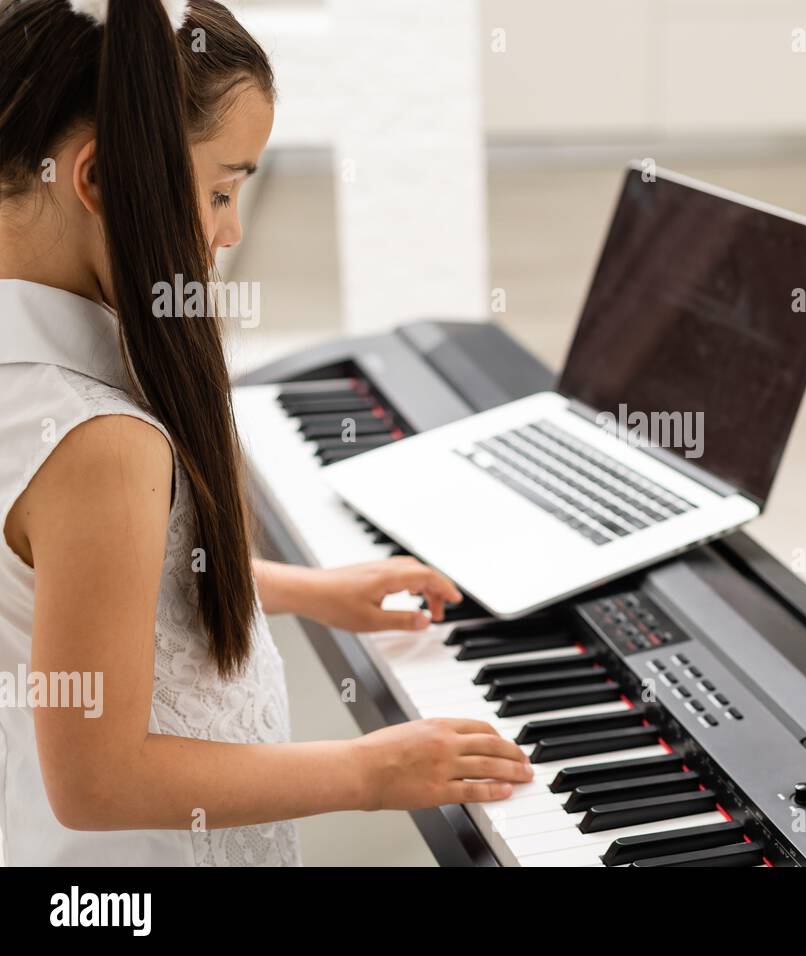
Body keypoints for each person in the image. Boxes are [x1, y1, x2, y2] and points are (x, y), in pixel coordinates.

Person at [0, 0, 531, 866]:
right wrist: (369, 771)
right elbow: (98, 780)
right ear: (97, 179)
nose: (229, 231)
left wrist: (306, 590)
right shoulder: (97, 442)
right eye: (219, 189)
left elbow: (84, 582)